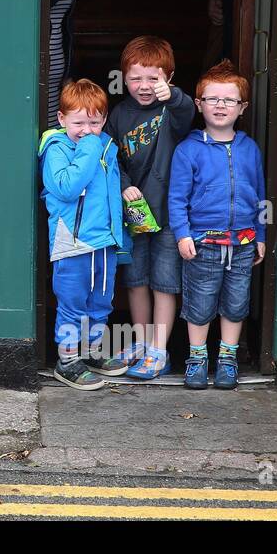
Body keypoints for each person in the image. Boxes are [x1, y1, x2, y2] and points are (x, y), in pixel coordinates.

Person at [168, 60, 267, 391]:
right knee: (199, 303)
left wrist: (261, 235)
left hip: (243, 243)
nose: (221, 106)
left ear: (243, 107)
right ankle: (197, 358)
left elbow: (260, 197)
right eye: (213, 99)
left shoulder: (249, 149)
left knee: (236, 303)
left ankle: (228, 358)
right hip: (203, 243)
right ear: (199, 104)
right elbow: (177, 199)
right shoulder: (188, 150)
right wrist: (182, 235)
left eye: (230, 100)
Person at [104, 36, 196, 379]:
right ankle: (141, 342)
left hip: (170, 212)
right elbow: (111, 158)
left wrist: (171, 97)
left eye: (153, 78)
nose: (144, 86)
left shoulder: (171, 110)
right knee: (136, 280)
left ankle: (160, 350)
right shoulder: (119, 113)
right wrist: (125, 184)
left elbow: (187, 111)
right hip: (135, 213)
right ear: (124, 77)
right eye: (135, 77)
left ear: (168, 78)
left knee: (164, 283)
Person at [37, 79, 132, 390]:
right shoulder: (57, 148)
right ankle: (67, 361)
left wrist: (120, 236)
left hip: (104, 241)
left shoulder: (106, 146)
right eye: (79, 122)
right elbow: (66, 186)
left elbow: (110, 197)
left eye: (95, 122)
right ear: (62, 119)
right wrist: (90, 147)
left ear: (104, 119)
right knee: (72, 303)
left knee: (101, 302)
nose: (87, 130)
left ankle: (90, 352)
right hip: (73, 242)